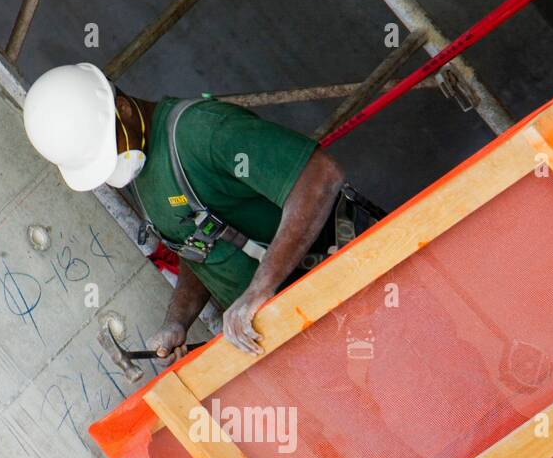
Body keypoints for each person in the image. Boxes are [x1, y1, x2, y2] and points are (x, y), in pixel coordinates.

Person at [23, 63, 383, 356]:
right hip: (296, 333)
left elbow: (321, 177)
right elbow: (199, 246)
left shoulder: (200, 131)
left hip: (356, 286)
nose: (113, 161)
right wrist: (177, 320)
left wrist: (259, 289)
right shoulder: (143, 173)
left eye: (110, 147)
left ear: (124, 109)